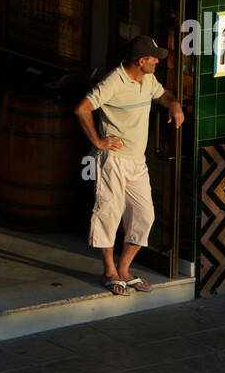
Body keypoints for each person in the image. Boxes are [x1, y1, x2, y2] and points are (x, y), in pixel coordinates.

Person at [75, 35, 184, 296]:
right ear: (141, 60)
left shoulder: (147, 80)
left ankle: (124, 269)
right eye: (154, 58)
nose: (158, 61)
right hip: (113, 161)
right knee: (109, 215)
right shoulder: (114, 81)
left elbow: (164, 95)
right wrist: (99, 141)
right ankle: (110, 271)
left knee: (144, 216)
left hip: (138, 161)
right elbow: (82, 109)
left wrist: (175, 105)